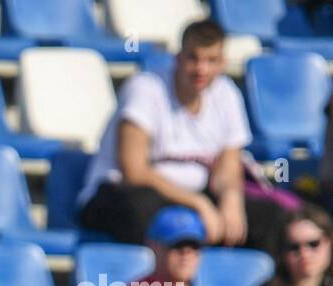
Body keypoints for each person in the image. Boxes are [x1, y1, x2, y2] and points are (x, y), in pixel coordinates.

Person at [78, 18, 285, 257]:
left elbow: (228, 168)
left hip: (192, 196)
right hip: (119, 195)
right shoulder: (146, 89)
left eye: (211, 60)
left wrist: (231, 199)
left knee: (273, 219)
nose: (201, 69)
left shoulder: (227, 94)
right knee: (153, 216)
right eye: (193, 58)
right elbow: (133, 172)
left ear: (223, 63)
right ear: (178, 57)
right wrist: (198, 204)